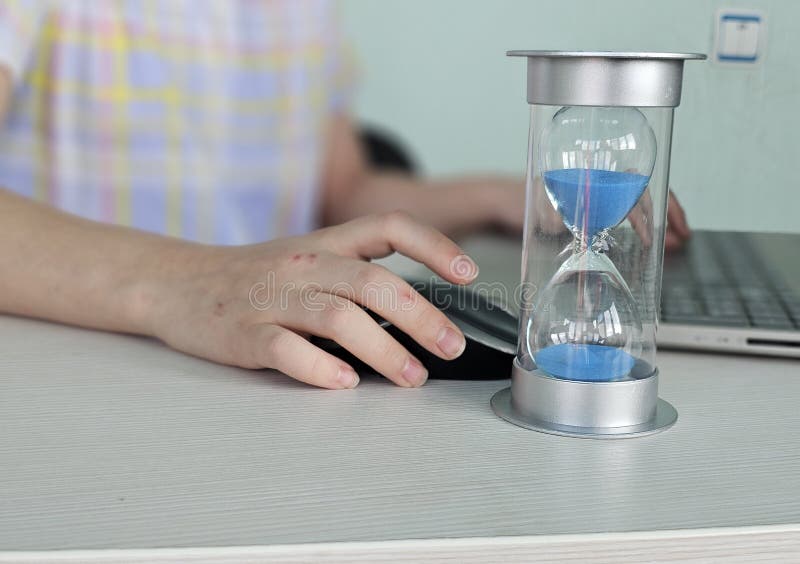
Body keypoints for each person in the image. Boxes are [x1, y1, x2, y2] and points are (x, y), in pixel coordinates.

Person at [0, 1, 691, 389]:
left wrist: (498, 196)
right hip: (77, 369)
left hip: (273, 365)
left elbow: (341, 190)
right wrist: (189, 283)